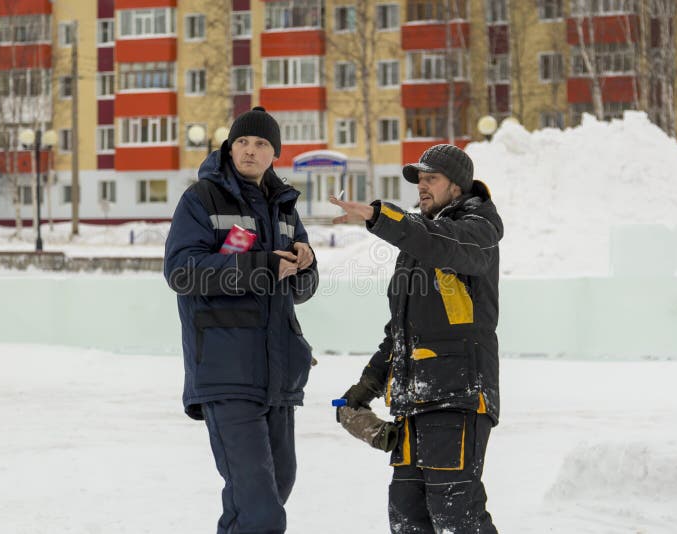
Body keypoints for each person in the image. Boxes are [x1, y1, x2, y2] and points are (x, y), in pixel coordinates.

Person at [330, 144, 503, 533]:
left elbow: (440, 241)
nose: (422, 187)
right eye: (419, 180)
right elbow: (400, 333)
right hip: (412, 404)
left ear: (457, 187)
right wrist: (365, 387)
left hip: (456, 397)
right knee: (408, 517)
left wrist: (380, 216)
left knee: (456, 518)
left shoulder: (479, 230)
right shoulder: (417, 242)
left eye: (432, 179)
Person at [164, 106, 318, 534]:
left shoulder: (285, 207)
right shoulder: (201, 199)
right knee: (260, 509)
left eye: (261, 143)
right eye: (242, 142)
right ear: (230, 148)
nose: (250, 150)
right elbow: (181, 271)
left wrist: (304, 266)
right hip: (226, 371)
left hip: (278, 374)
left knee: (275, 488)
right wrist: (263, 265)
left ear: (275, 154)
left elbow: (301, 288)